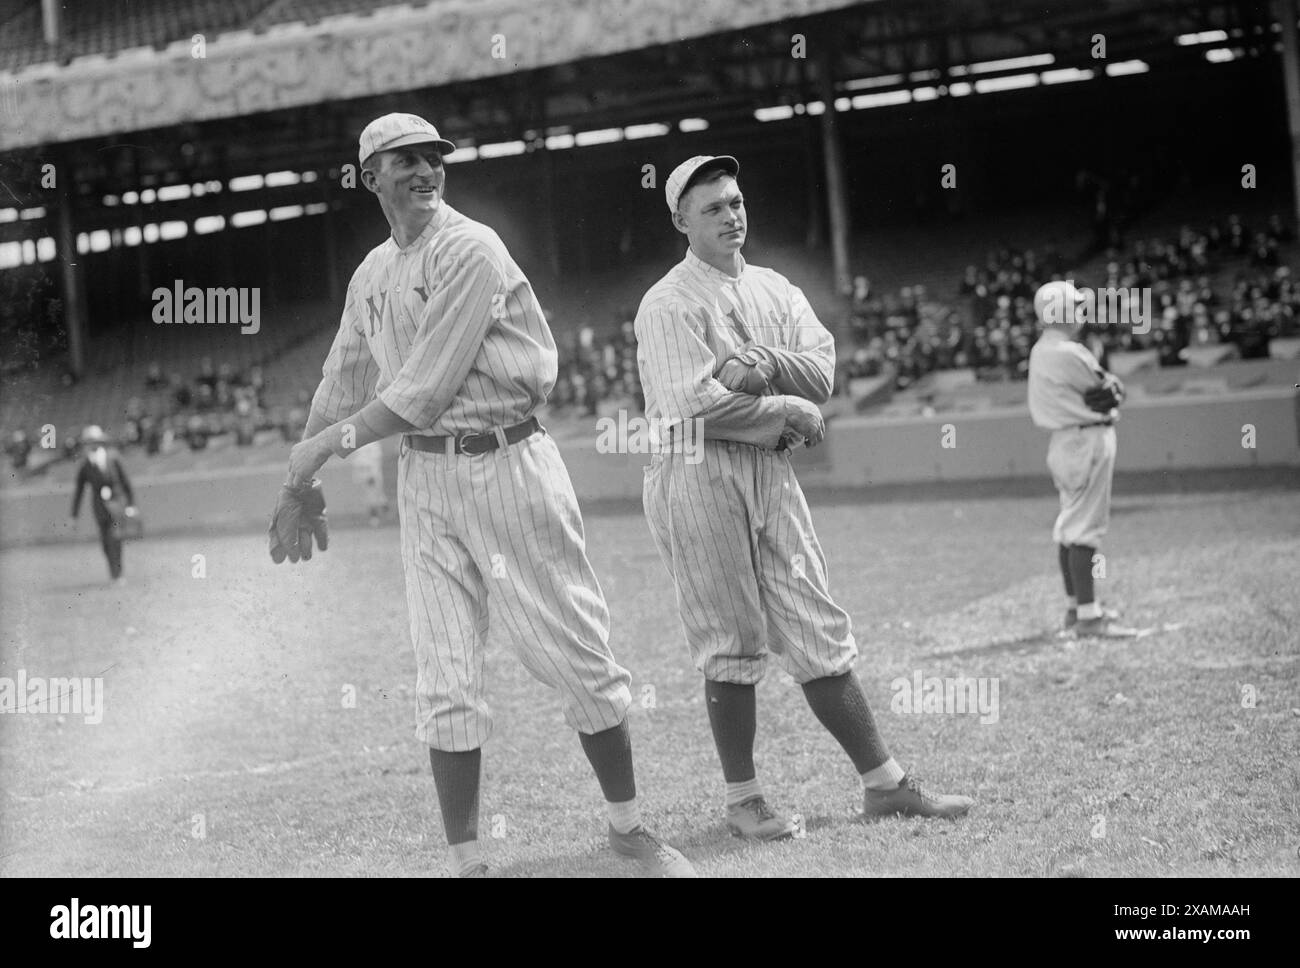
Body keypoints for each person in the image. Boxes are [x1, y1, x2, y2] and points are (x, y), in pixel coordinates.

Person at [270, 112, 693, 878]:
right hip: (425, 480)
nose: (427, 170)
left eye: (435, 158)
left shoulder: (471, 247)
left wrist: (319, 450)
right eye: (406, 160)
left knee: (575, 656)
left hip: (508, 463)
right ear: (370, 176)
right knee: (444, 675)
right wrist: (300, 478)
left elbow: (422, 394)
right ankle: (468, 864)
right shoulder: (371, 273)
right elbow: (342, 379)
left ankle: (629, 829)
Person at [633, 154, 973, 843]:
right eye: (712, 208)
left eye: (735, 202)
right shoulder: (668, 302)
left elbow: (823, 367)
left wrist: (759, 366)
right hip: (696, 471)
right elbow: (691, 401)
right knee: (731, 638)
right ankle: (745, 799)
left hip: (768, 467)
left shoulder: (776, 288)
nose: (731, 215)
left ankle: (884, 785)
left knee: (817, 622)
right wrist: (784, 403)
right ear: (680, 221)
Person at [1027, 281, 1132, 637]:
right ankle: (1088, 617)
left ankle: (1078, 610)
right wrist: (1115, 388)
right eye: (1076, 307)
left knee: (1069, 526)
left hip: (1066, 441)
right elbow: (1107, 391)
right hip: (1084, 439)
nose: (1081, 314)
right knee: (1084, 529)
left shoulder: (1044, 348)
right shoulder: (1067, 351)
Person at [70, 425, 136, 584]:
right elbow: (79, 491)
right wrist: (74, 515)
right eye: (88, 442)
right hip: (99, 507)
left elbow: (126, 483)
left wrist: (131, 505)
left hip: (117, 503)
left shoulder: (113, 458)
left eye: (93, 441)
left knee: (115, 538)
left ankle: (118, 574)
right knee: (106, 543)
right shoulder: (85, 465)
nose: (91, 445)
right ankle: (113, 571)